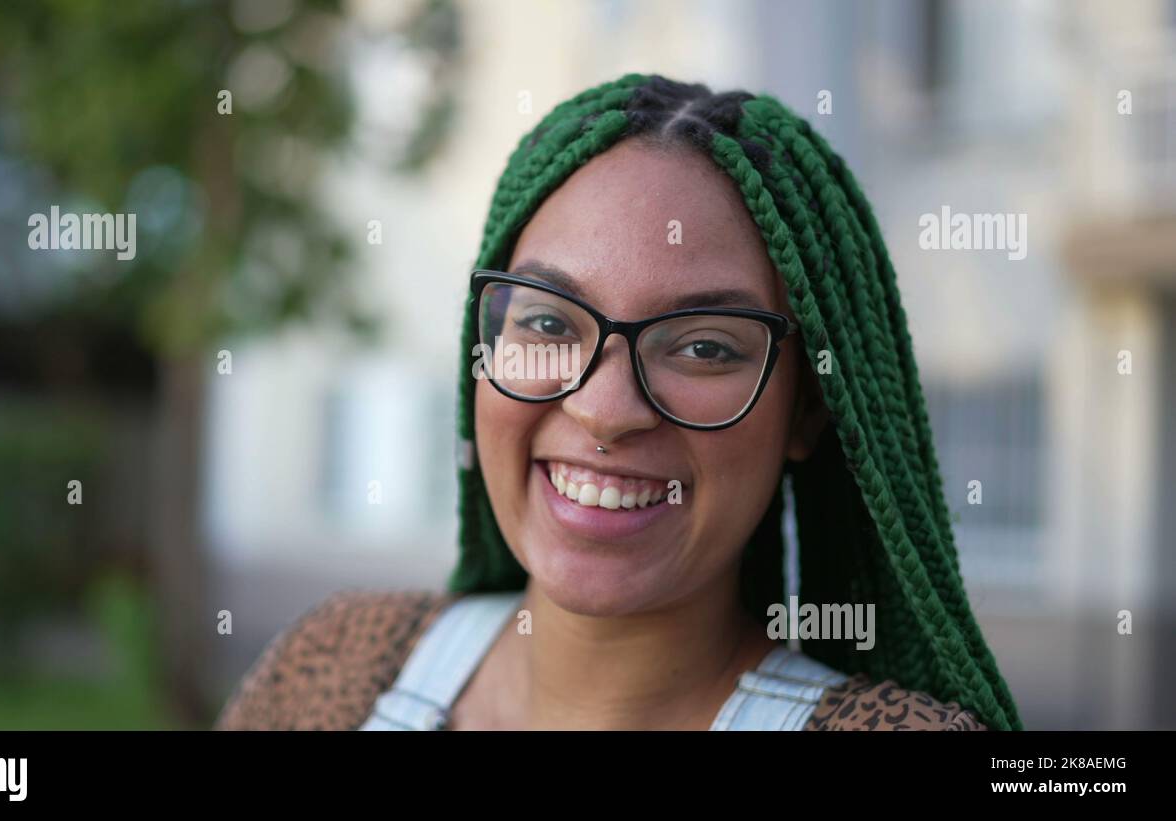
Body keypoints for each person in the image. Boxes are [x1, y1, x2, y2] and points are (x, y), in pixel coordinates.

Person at [217, 74, 1020, 731]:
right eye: (546, 320)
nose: (606, 409)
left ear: (807, 410)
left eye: (704, 345)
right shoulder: (334, 671)